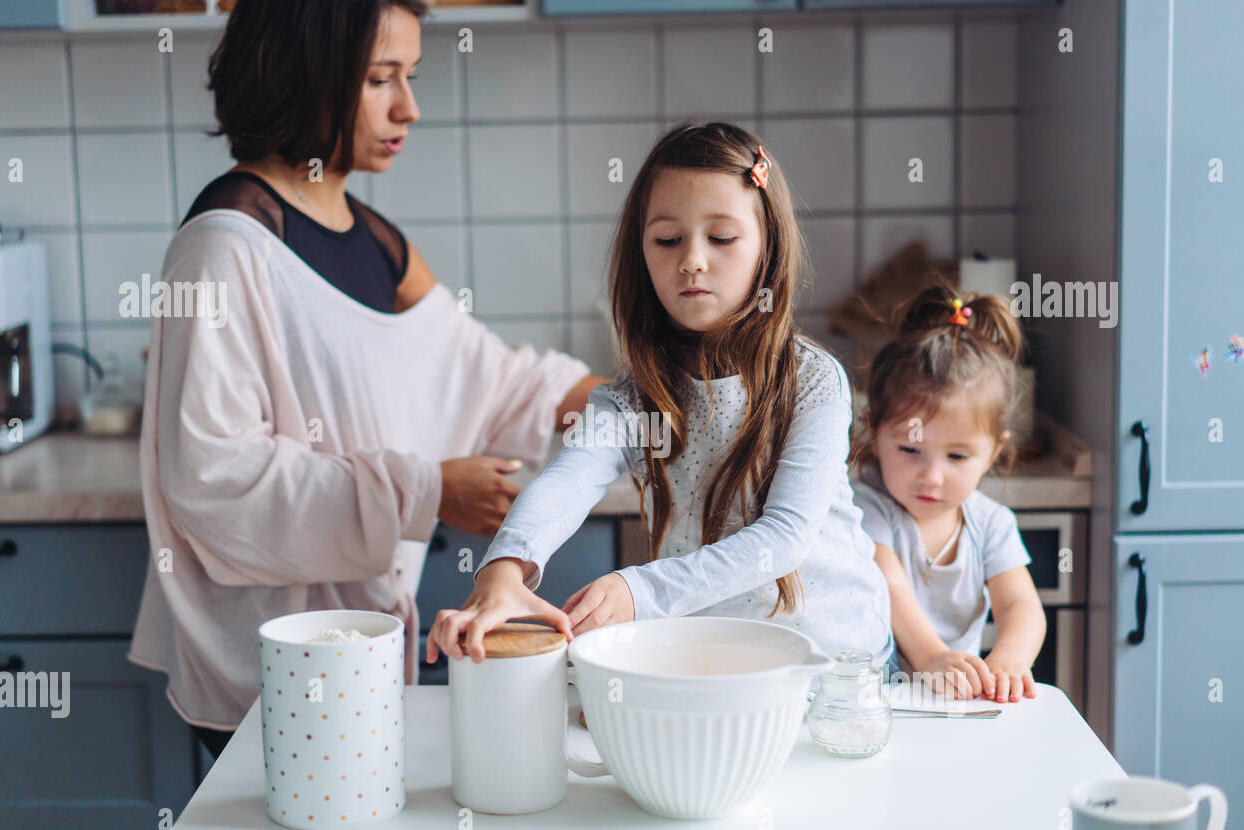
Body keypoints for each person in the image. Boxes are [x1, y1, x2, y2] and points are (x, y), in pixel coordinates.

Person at [128, 0, 604, 761]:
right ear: (303, 74)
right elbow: (212, 480)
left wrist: (629, 405)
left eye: (408, 77)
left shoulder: (376, 241)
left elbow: (487, 374)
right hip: (270, 674)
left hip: (359, 656)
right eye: (381, 79)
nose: (409, 107)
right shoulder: (223, 248)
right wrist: (426, 491)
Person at [425, 121, 893, 672]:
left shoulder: (813, 381)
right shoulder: (633, 396)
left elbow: (785, 536)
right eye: (668, 239)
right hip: (714, 670)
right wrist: (502, 571)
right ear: (641, 253)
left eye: (721, 238)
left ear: (767, 248)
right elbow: (567, 480)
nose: (692, 260)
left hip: (838, 669)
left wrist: (637, 592)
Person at [850, 283, 1047, 702]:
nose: (932, 477)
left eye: (957, 457)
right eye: (910, 450)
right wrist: (934, 657)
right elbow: (890, 585)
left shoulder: (992, 524)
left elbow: (1021, 608)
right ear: (872, 430)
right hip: (880, 701)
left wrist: (1008, 661)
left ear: (994, 451)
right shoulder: (864, 506)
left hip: (955, 703)